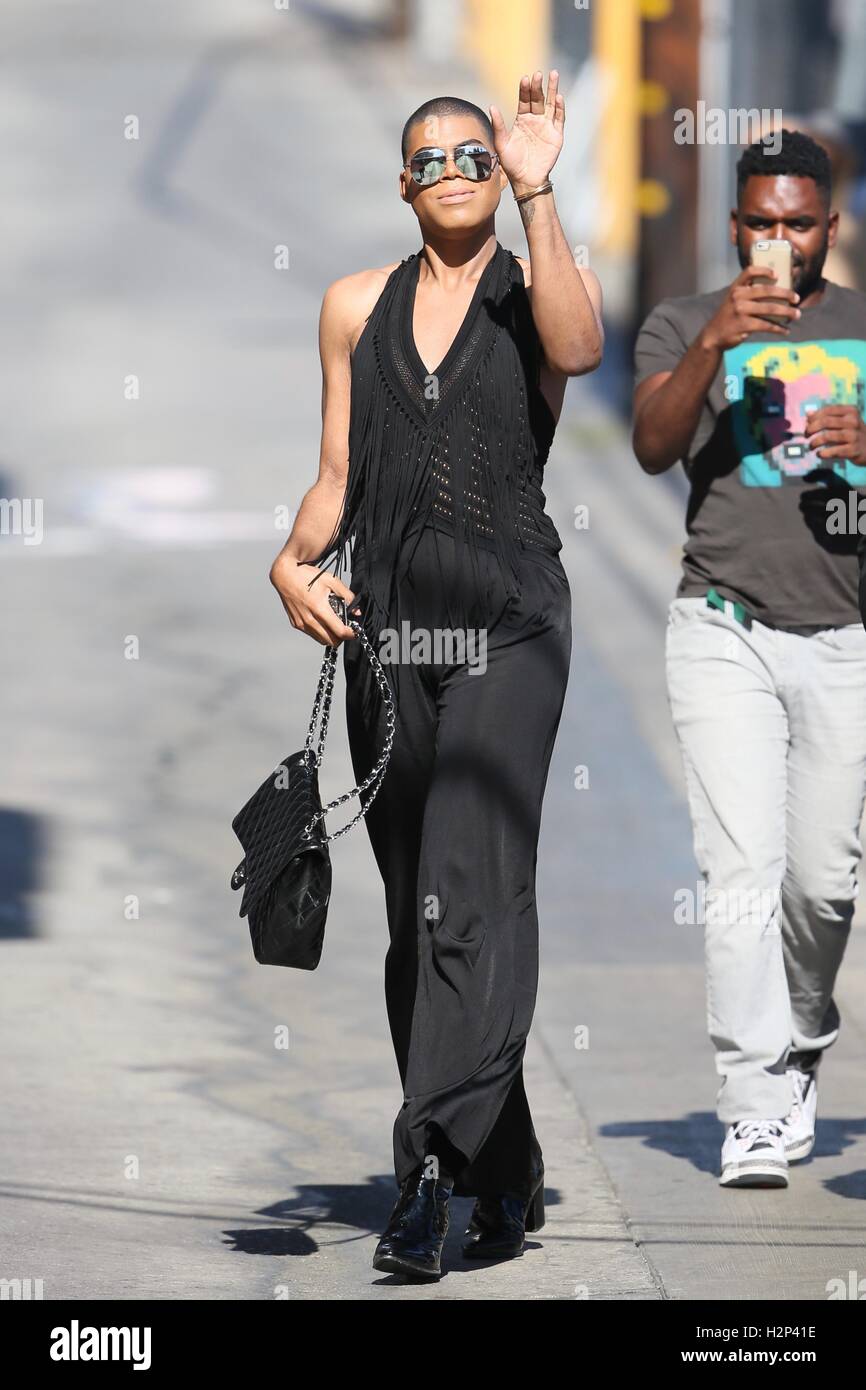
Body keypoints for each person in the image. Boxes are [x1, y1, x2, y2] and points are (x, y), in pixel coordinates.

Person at [268, 71, 602, 1280]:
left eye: (475, 155)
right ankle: (505, 1161)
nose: (457, 170)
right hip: (389, 636)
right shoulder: (353, 303)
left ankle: (426, 1169)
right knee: (423, 905)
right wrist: (288, 564)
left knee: (466, 875)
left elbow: (580, 346)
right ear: (400, 183)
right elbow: (333, 470)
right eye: (434, 158)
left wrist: (538, 188)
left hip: (510, 623)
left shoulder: (532, 294)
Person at [633, 129, 866, 1188]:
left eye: (798, 224)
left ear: (831, 225)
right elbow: (646, 444)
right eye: (760, 224)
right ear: (735, 228)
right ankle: (751, 1101)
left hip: (842, 638)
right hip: (719, 627)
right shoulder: (685, 321)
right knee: (737, 880)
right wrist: (714, 345)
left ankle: (803, 1029)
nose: (780, 242)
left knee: (820, 887)